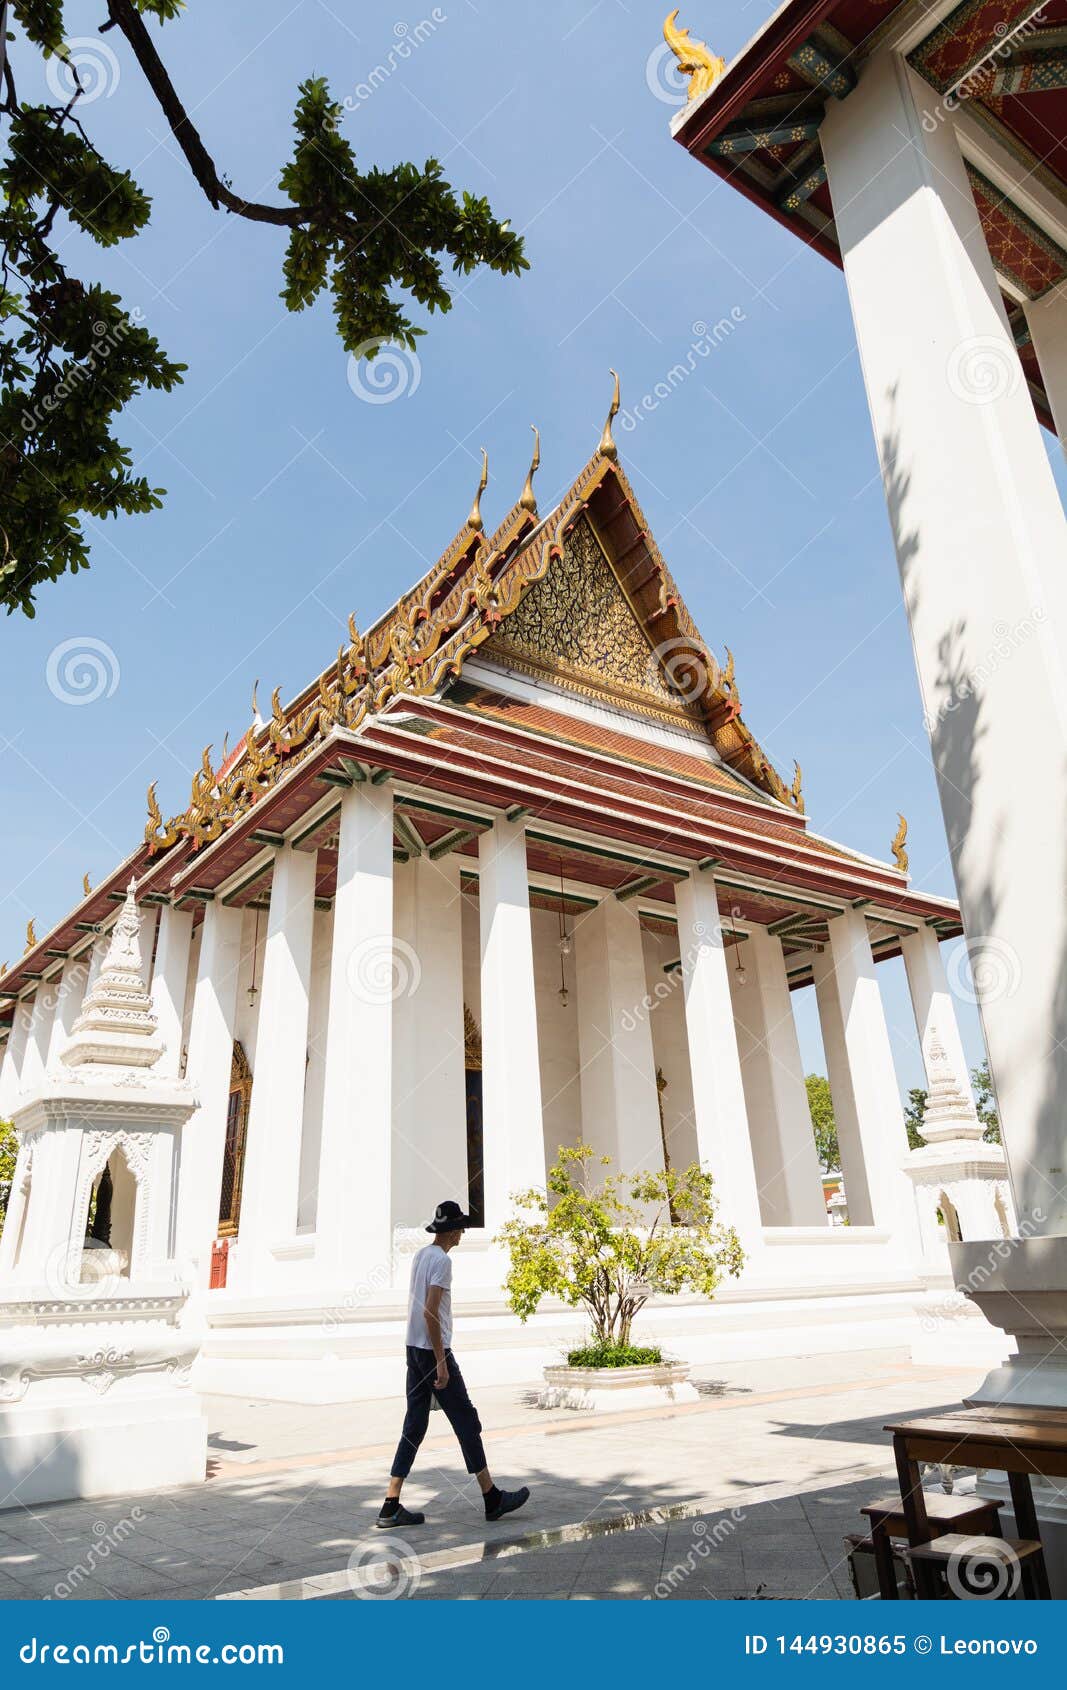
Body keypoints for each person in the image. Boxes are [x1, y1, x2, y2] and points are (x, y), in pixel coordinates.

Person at [378, 1199, 531, 1529]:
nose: (463, 1232)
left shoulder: (421, 1255)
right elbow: (431, 1312)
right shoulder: (442, 1262)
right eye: (461, 1226)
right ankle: (492, 1497)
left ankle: (391, 1504)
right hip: (434, 1352)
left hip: (412, 1349)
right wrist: (441, 1362)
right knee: (466, 1420)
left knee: (414, 1427)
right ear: (452, 1231)